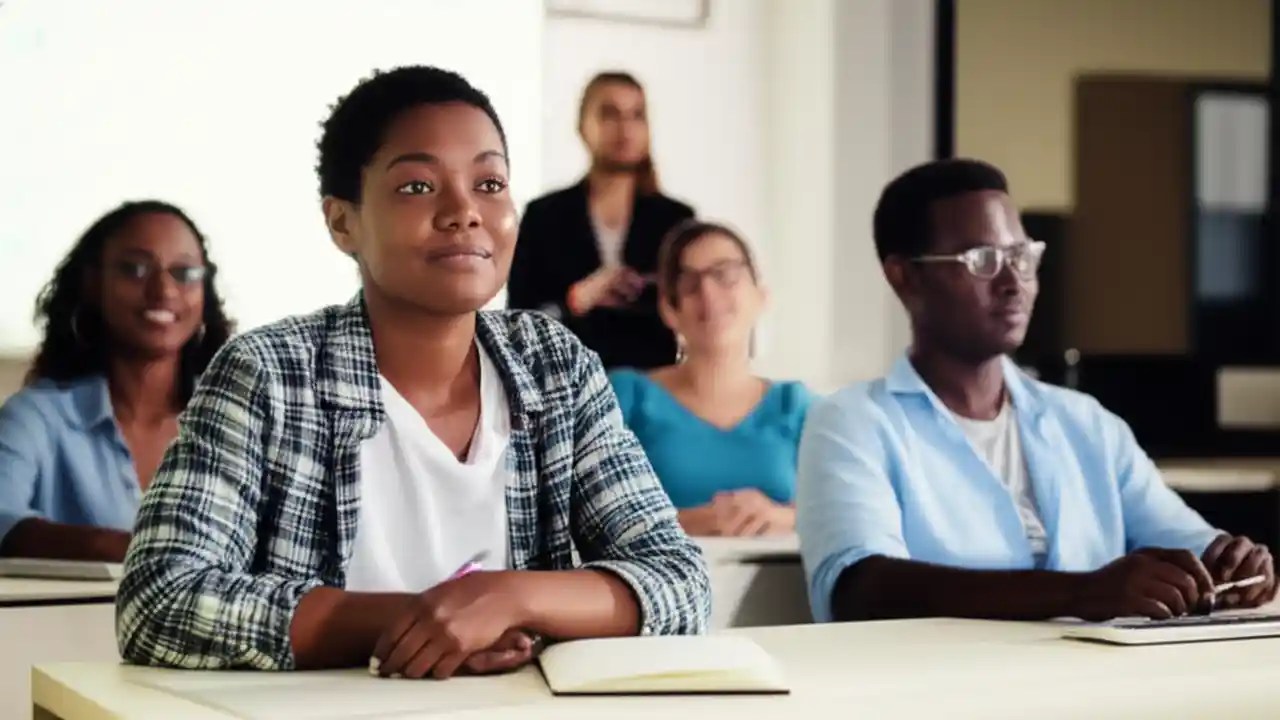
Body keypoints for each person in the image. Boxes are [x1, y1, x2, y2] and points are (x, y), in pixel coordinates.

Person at [116, 66, 710, 679]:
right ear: (342, 222)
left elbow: (680, 580)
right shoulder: (269, 375)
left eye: (489, 183)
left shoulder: (555, 367)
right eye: (418, 186)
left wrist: (508, 597)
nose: (464, 212)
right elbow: (159, 600)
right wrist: (420, 621)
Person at [797, 159, 1276, 624]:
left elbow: (1183, 539)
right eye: (983, 261)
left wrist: (1232, 564)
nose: (1014, 282)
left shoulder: (1084, 421)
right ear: (904, 275)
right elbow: (860, 589)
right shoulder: (854, 422)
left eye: (1021, 256)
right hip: (950, 678)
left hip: (1102, 676)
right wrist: (1082, 592)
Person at [0, 201, 232, 562]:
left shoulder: (235, 418)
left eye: (184, 273)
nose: (163, 290)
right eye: (135, 269)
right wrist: (130, 548)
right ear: (93, 284)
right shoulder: (38, 416)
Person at [610, 221, 811, 536]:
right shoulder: (625, 398)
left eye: (725, 275)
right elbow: (579, 518)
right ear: (669, 309)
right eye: (690, 283)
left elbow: (847, 513)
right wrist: (686, 523)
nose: (708, 292)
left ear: (760, 295)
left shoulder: (798, 406)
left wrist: (784, 518)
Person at [508, 71, 694, 370]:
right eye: (609, 114)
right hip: (565, 383)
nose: (625, 128)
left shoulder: (675, 220)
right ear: (583, 126)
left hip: (653, 383)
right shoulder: (544, 216)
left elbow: (692, 311)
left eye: (636, 115)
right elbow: (516, 324)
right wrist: (576, 300)